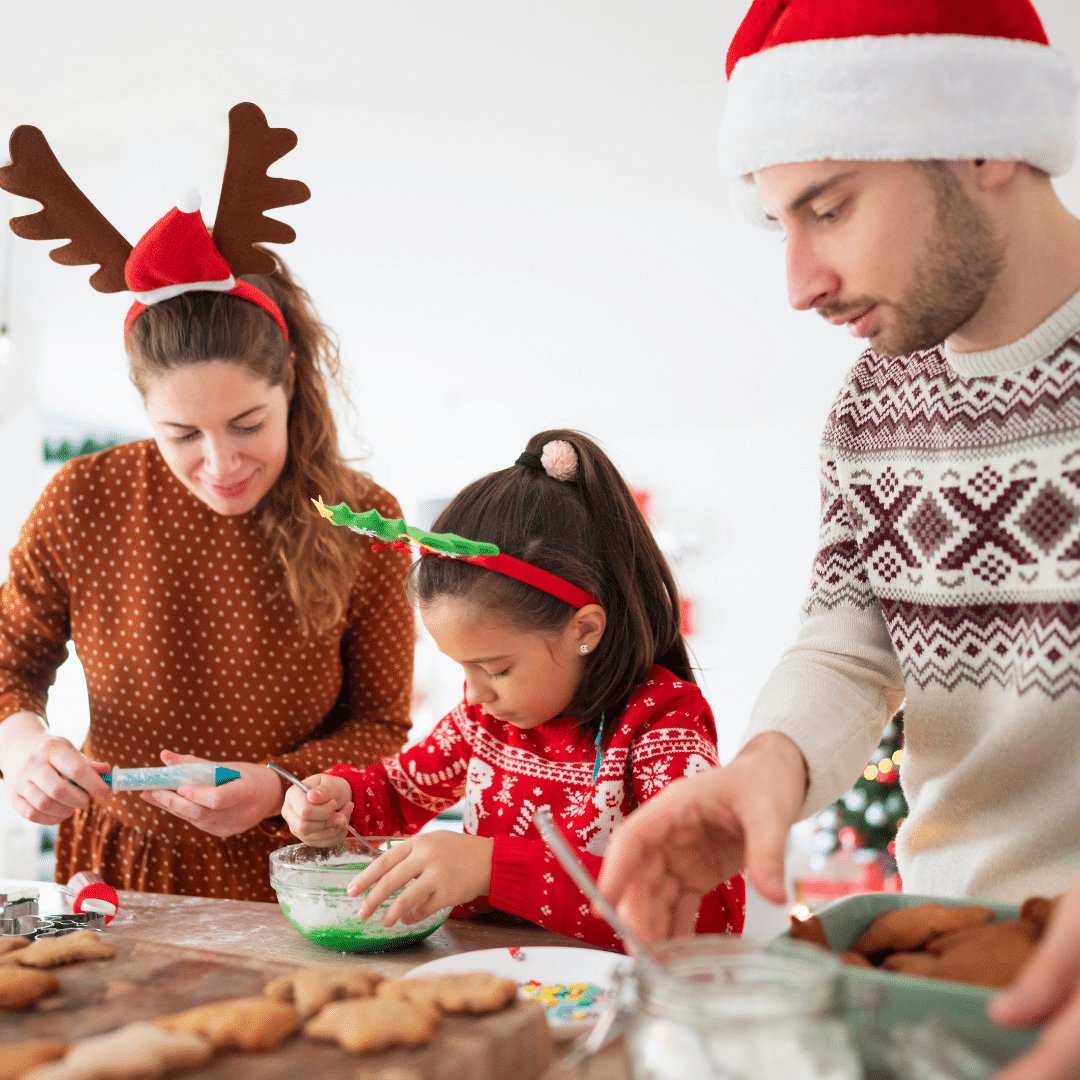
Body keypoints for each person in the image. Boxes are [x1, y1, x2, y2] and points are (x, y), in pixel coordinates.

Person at [596, 1, 1080, 1075]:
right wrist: (771, 763)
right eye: (782, 226)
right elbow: (853, 636)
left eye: (831, 208)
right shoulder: (873, 407)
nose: (800, 284)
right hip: (951, 967)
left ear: (983, 140)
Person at [0, 105, 414, 901]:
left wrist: (277, 783)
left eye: (247, 424)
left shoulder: (365, 522)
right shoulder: (84, 498)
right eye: (180, 433)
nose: (219, 464)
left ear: (289, 385)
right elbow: (8, 667)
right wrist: (23, 750)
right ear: (144, 413)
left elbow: (383, 731)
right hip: (121, 869)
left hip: (303, 876)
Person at [282, 430, 745, 950]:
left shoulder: (663, 726)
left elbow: (712, 916)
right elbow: (395, 792)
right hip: (500, 990)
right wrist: (340, 802)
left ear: (584, 631)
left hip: (616, 1010)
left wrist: (493, 869)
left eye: (496, 669)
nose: (474, 695)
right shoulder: (486, 721)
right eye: (463, 668)